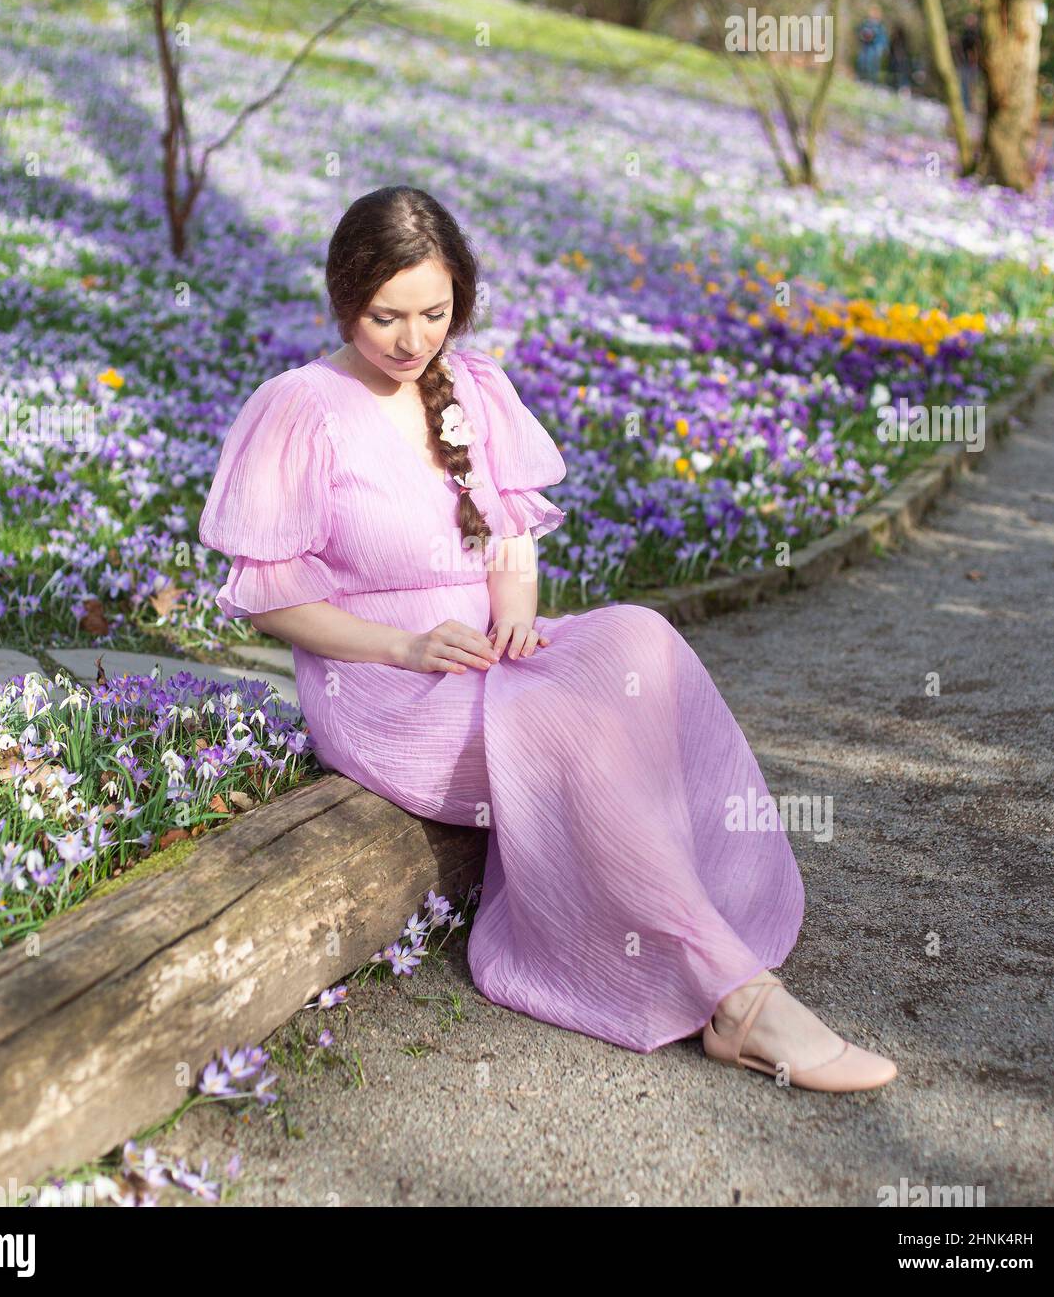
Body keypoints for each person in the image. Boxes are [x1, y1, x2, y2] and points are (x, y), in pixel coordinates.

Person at [198, 185, 899, 1093]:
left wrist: (517, 607)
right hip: (380, 682)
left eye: (434, 314)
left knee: (638, 639)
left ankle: (696, 916)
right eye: (385, 317)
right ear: (342, 300)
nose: (412, 342)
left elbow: (508, 535)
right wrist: (402, 648)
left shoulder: (472, 386)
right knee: (574, 722)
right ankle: (739, 1004)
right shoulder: (300, 405)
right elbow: (266, 601)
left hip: (488, 652)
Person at [855, 4, 889, 84]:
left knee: (873, 64)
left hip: (875, 48)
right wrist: (863, 36)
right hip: (865, 46)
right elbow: (859, 32)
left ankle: (872, 82)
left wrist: (883, 48)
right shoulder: (865, 23)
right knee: (862, 62)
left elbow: (883, 38)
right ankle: (862, 79)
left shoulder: (880, 26)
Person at [957, 12, 982, 115]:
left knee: (972, 86)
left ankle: (971, 106)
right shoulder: (965, 34)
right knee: (965, 86)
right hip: (965, 64)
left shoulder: (976, 34)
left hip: (973, 64)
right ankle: (966, 107)